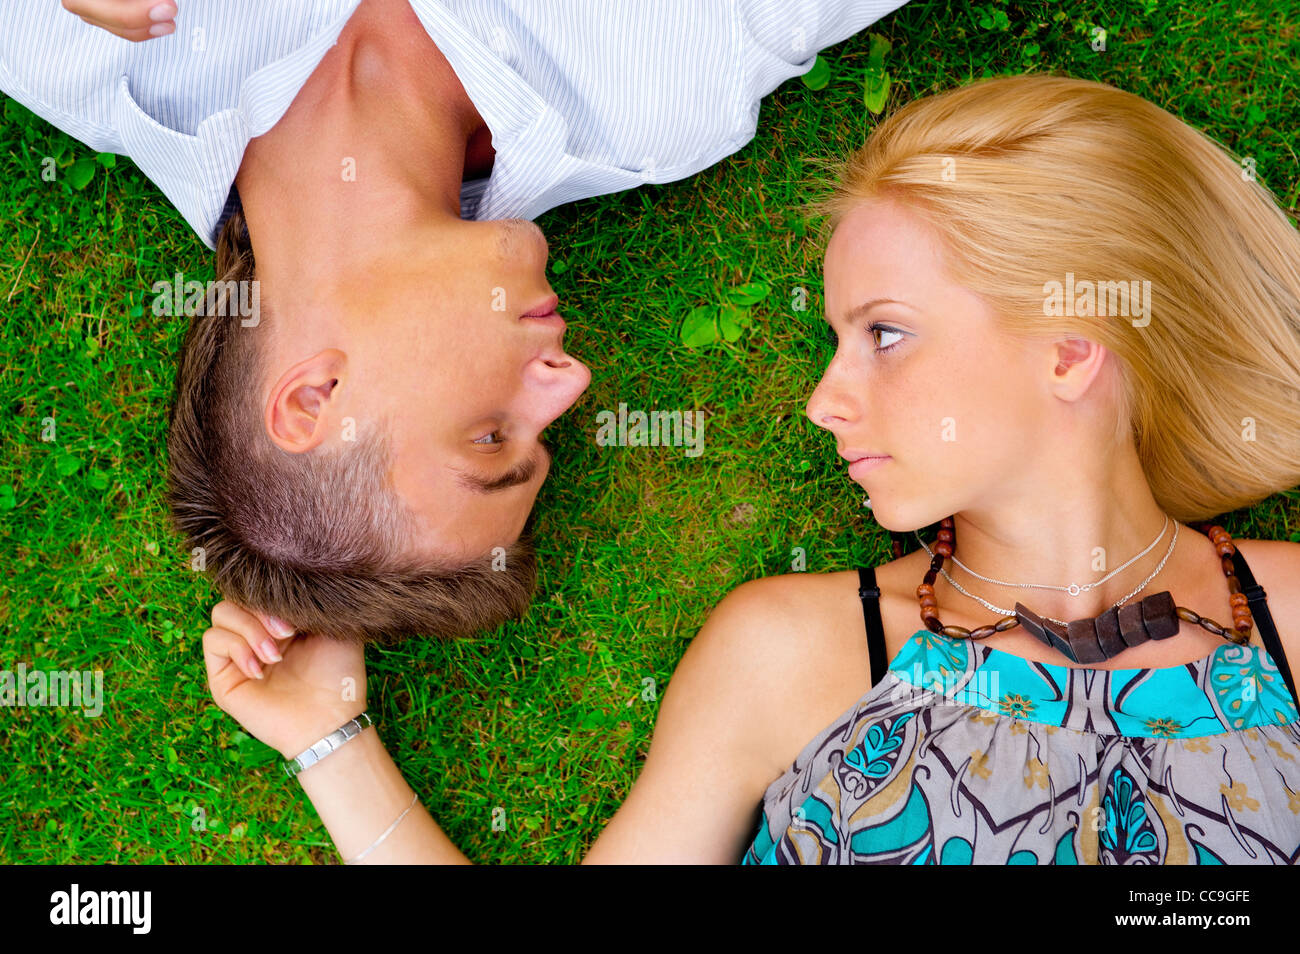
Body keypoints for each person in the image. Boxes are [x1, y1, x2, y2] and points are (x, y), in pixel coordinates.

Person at [200, 72, 1300, 864]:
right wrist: (327, 740)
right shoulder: (790, 656)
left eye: (882, 332)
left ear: (1069, 351)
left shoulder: (1289, 615)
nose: (822, 400)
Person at [1, 0, 910, 641]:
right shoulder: (663, 85)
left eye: (489, 437)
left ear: (316, 397)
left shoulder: (68, 42)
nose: (572, 382)